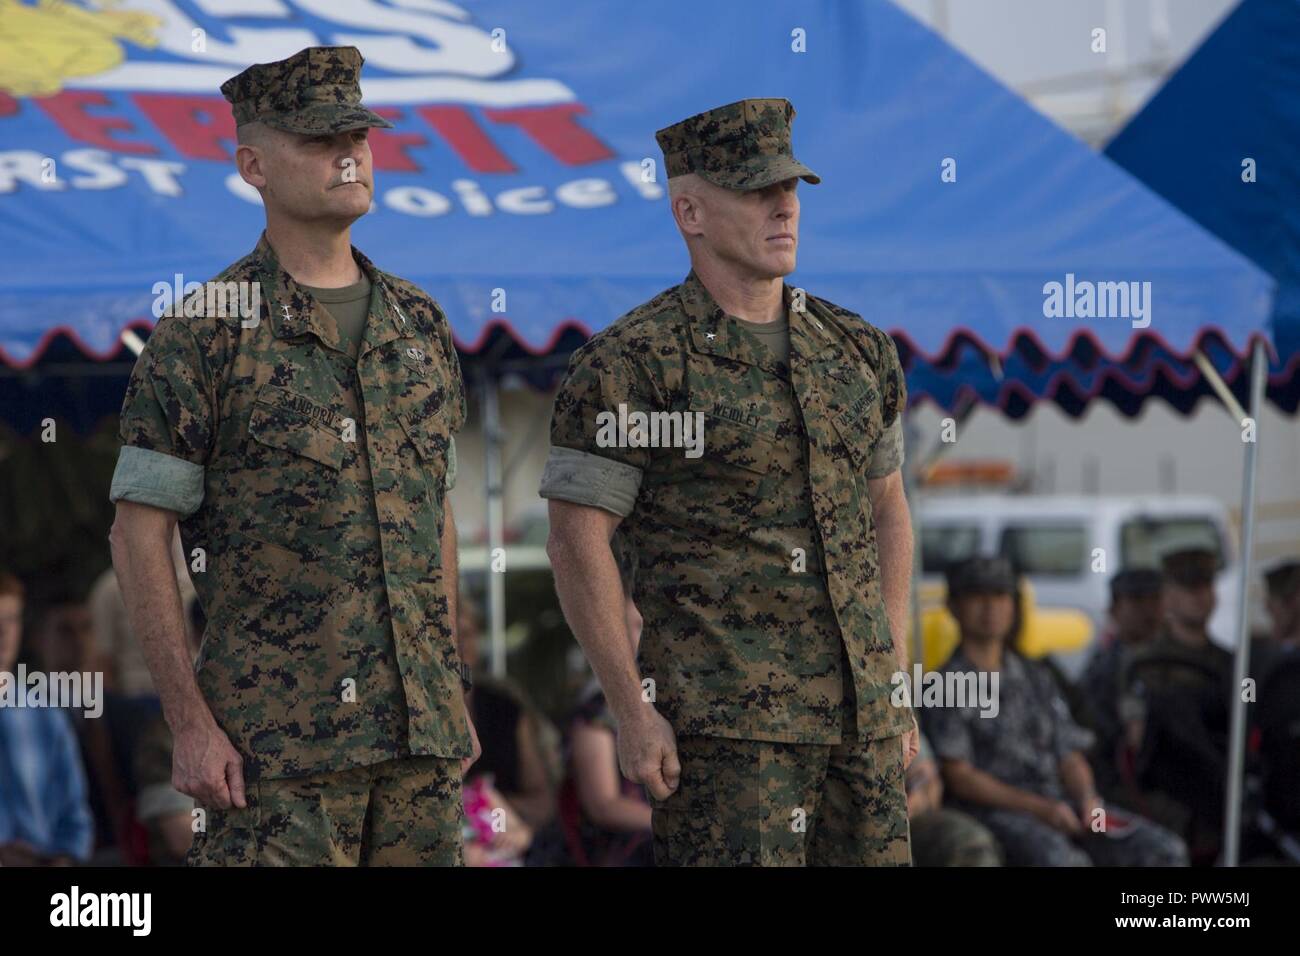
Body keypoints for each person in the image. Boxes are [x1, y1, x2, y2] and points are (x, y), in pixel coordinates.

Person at [107, 46, 478, 867]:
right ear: (253, 166)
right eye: (318, 140)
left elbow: (435, 512)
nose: (349, 154)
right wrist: (189, 722)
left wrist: (449, 683)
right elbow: (138, 534)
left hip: (421, 745)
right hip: (275, 756)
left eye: (359, 135)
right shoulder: (203, 333)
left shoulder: (419, 325)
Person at [541, 99, 916, 866]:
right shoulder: (632, 366)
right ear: (690, 211)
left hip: (863, 724)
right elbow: (577, 541)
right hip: (728, 734)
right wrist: (629, 708)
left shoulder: (856, 351)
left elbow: (890, 512)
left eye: (792, 187)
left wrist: (896, 672)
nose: (784, 206)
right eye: (755, 189)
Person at [923, 556, 1188, 866]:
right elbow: (960, 777)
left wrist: (1088, 800)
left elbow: (1069, 753)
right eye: (977, 596)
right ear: (954, 606)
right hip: (998, 813)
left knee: (1161, 849)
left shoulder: (1036, 675)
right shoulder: (944, 685)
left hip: (1062, 803)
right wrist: (1040, 808)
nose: (991, 607)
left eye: (1000, 596)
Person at [1121, 532, 1232, 861]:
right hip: (1168, 787)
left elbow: (1251, 715)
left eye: (1206, 587)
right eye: (1189, 589)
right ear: (1167, 597)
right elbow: (1137, 741)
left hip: (1226, 780)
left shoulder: (1233, 663)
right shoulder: (1144, 664)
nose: (1200, 597)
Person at [0, 571, 94, 865]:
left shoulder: (45, 714)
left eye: (12, 618)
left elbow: (74, 814)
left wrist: (62, 860)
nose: (3, 631)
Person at [1079, 568, 1163, 796]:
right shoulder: (1105, 670)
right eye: (1136, 601)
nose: (1147, 611)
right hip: (1129, 781)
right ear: (1115, 610)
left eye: (1154, 600)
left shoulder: (1177, 656)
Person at [906, 732, 1001, 867]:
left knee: (972, 844)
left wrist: (919, 797)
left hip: (911, 814)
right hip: (873, 820)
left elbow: (929, 778)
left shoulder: (896, 715)